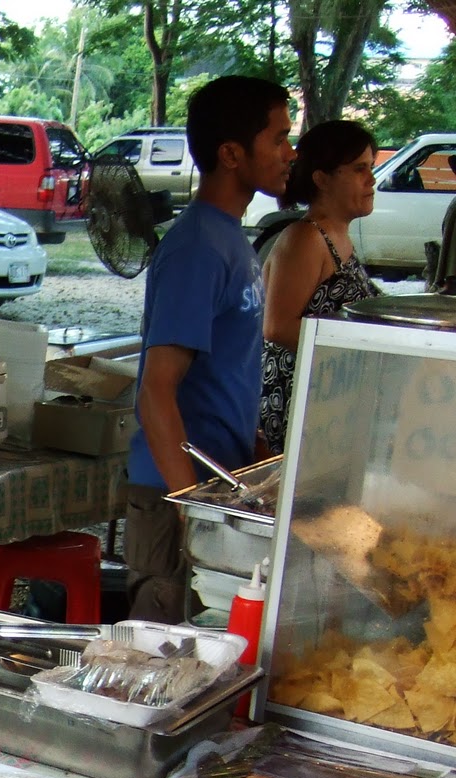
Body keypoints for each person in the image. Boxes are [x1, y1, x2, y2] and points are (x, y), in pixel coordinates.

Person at [124, 76, 296, 623]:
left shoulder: (230, 237)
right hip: (178, 494)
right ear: (231, 154)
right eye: (279, 138)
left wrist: (248, 438)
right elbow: (156, 390)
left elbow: (226, 360)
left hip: (221, 481)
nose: (290, 152)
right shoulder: (197, 246)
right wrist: (190, 506)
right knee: (170, 654)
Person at [258, 120, 380, 453]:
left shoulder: (337, 236)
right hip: (301, 407)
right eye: (359, 169)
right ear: (321, 178)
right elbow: (277, 326)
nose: (372, 180)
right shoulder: (306, 238)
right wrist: (360, 345)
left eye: (371, 167)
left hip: (329, 407)